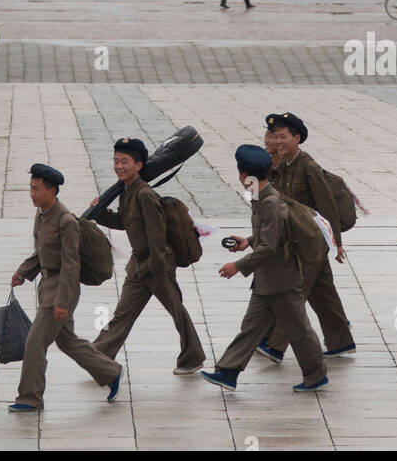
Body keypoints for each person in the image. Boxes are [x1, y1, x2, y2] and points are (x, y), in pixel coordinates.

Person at [201, 146, 327, 394]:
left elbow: (269, 247)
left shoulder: (270, 202)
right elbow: (268, 233)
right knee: (251, 327)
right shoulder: (261, 197)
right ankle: (228, 371)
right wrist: (248, 240)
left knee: (299, 330)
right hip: (267, 280)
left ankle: (316, 375)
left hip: (282, 280)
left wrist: (237, 266)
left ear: (245, 176)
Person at [9, 163, 121, 412]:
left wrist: (62, 301)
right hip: (47, 285)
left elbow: (72, 265)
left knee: (34, 343)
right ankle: (111, 372)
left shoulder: (65, 221)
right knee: (67, 341)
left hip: (60, 290)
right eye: (30, 188)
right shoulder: (42, 215)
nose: (32, 193)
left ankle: (29, 398)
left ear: (51, 190)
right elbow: (41, 253)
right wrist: (23, 272)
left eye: (36, 189)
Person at [91, 138, 205, 375]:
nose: (119, 166)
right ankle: (98, 356)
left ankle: (193, 357)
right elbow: (125, 222)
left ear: (139, 165)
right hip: (140, 264)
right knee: (123, 313)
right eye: (116, 161)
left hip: (157, 264)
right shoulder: (127, 192)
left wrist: (153, 267)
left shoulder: (144, 195)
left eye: (125, 162)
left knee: (176, 310)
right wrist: (100, 212)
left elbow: (157, 237)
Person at [260, 113, 355, 361]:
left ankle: (276, 346)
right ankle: (341, 341)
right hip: (298, 240)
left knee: (293, 293)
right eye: (275, 136)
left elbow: (328, 207)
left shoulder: (308, 166)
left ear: (297, 138)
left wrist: (336, 244)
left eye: (283, 137)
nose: (277, 141)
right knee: (323, 294)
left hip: (313, 242)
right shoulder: (282, 166)